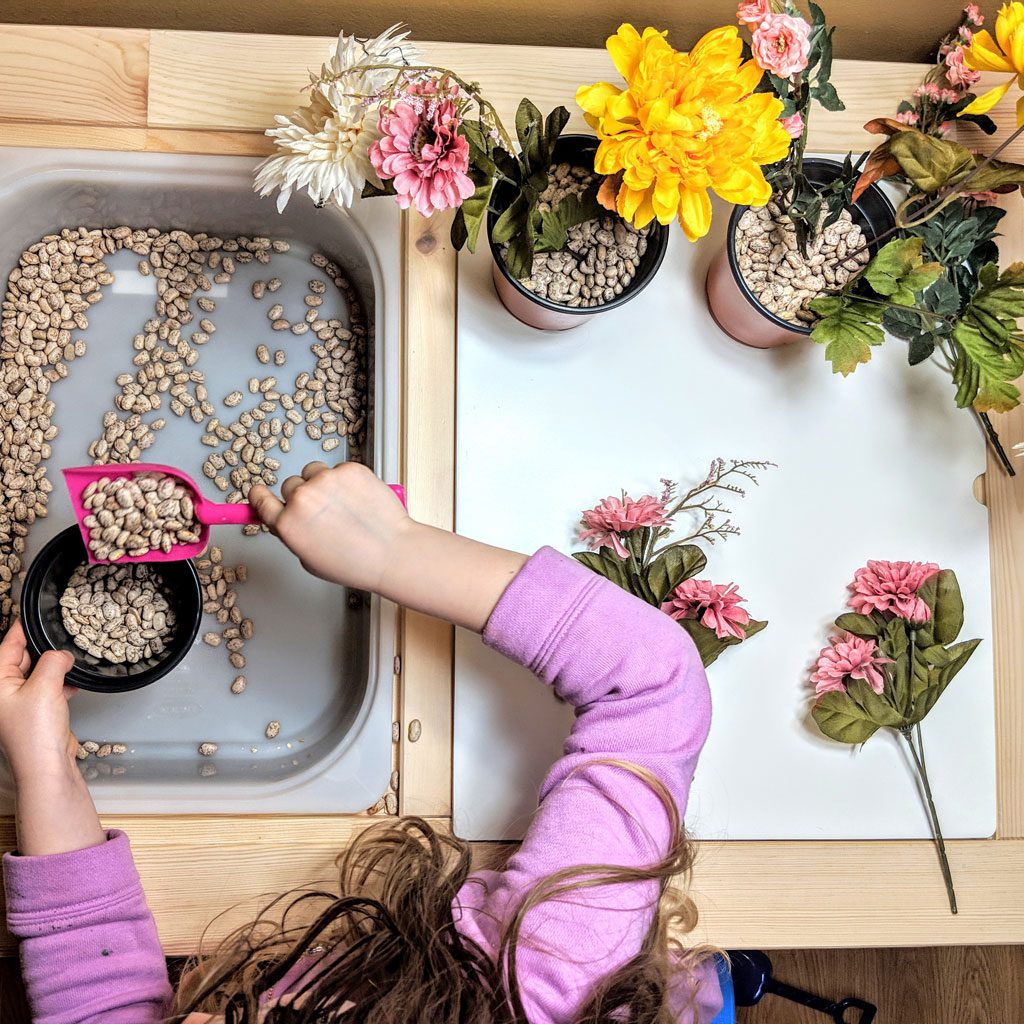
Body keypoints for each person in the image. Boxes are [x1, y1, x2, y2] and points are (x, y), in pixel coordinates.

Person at [0, 462, 724, 1023]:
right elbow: (655, 685)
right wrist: (394, 552)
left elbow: (102, 1006)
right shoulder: (543, 978)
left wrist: (46, 771)